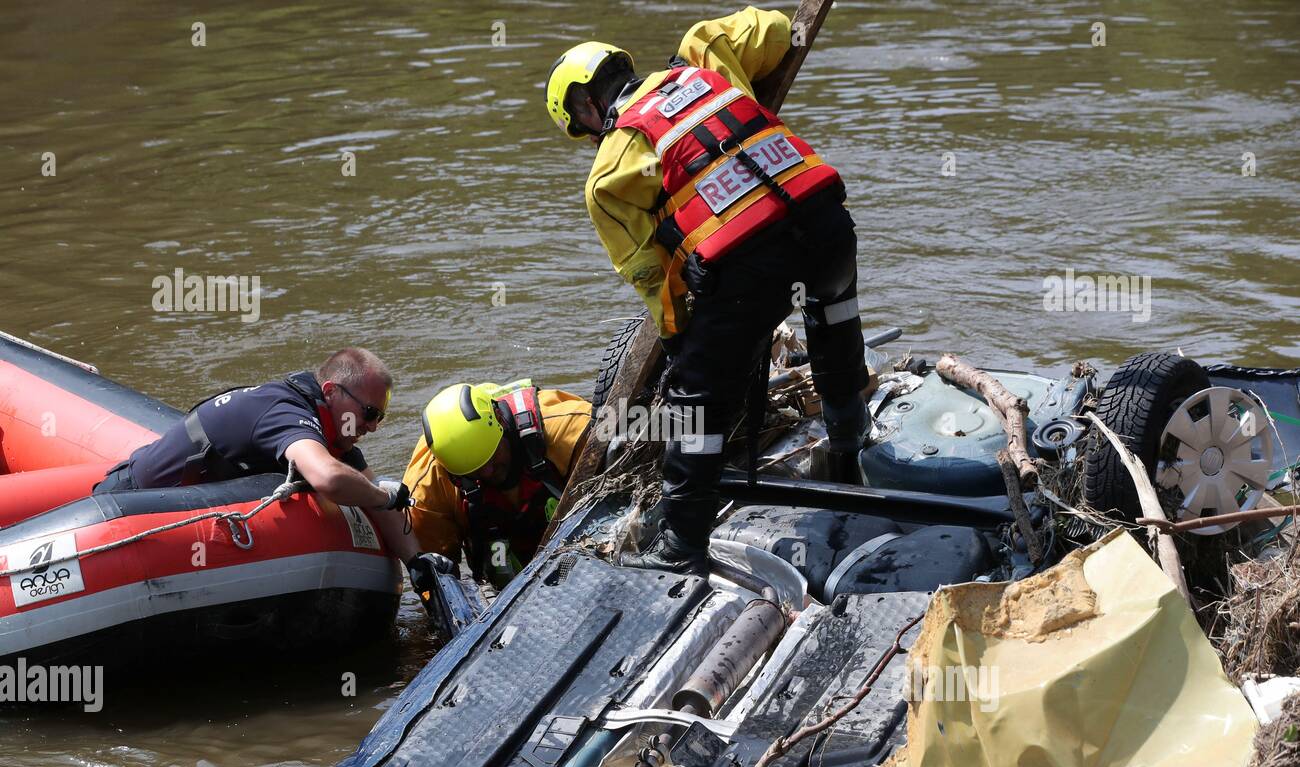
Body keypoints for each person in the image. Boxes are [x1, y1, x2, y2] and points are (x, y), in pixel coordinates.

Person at [545, 6, 871, 576]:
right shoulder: (705, 57)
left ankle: (681, 549)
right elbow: (775, 28)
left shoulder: (609, 174)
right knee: (831, 314)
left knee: (695, 402)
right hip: (829, 229)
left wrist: (682, 349)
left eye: (582, 125)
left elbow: (652, 277)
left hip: (752, 273)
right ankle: (849, 454)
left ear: (588, 108)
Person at [93, 347, 445, 596]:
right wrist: (384, 494)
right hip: (124, 504)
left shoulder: (335, 432)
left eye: (380, 417)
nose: (373, 426)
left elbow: (375, 501)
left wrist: (417, 561)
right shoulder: (288, 414)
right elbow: (330, 479)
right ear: (331, 392)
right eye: (369, 412)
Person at [402, 380, 591, 587]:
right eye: (472, 471)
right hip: (499, 560)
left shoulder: (570, 428)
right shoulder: (427, 489)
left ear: (501, 421)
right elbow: (437, 577)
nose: (488, 472)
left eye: (491, 457)